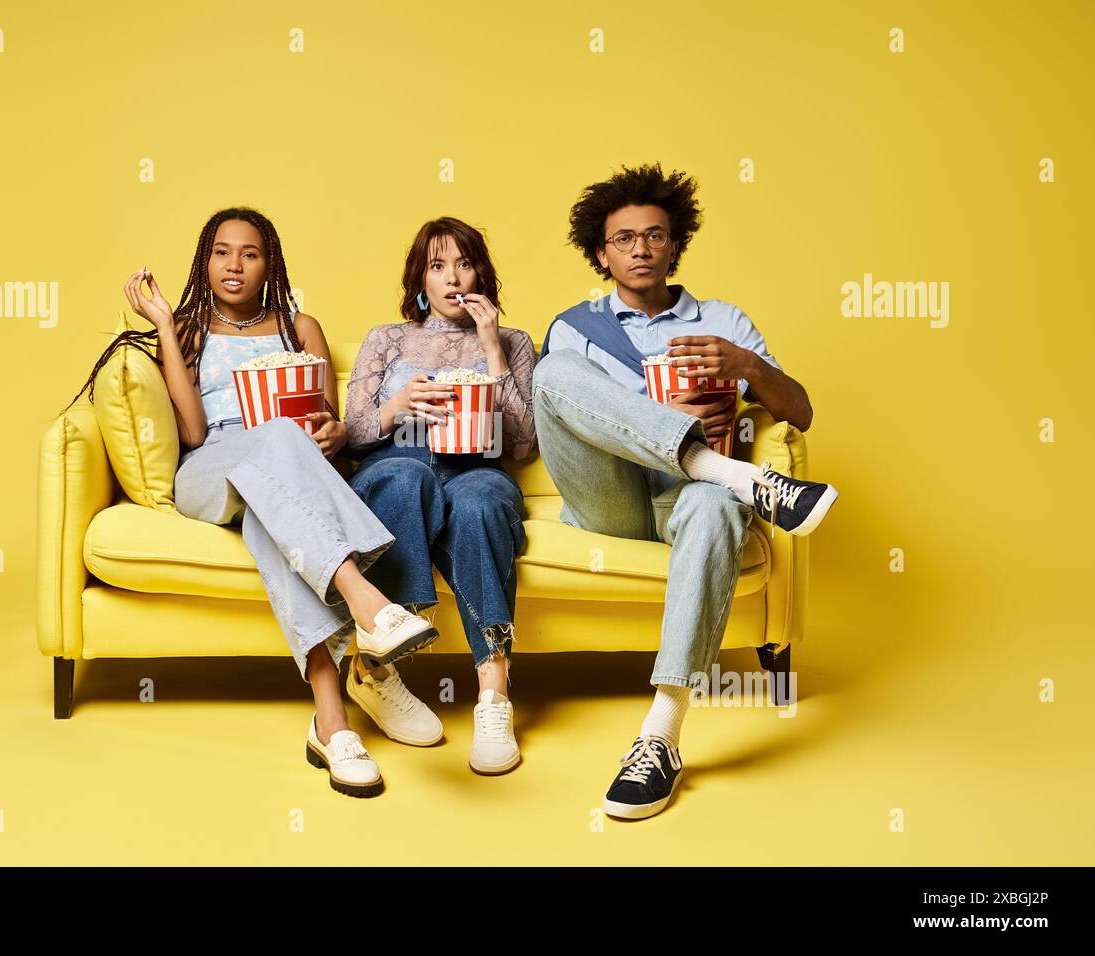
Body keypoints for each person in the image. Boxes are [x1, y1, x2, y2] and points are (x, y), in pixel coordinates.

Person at [59, 207, 438, 799]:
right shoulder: (184, 329)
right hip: (212, 472)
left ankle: (330, 723)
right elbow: (189, 432)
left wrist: (335, 434)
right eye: (221, 252)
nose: (234, 265)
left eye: (250, 253)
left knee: (276, 505)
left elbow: (326, 426)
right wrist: (162, 320)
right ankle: (369, 604)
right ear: (204, 261)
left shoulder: (300, 328)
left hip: (282, 482)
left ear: (271, 265)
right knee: (276, 442)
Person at [534, 163, 840, 819]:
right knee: (553, 370)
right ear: (600, 252)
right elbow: (556, 413)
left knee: (712, 501)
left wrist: (748, 367)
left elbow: (802, 412)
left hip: (691, 505)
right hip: (608, 497)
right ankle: (739, 476)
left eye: (654, 236)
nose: (640, 249)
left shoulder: (723, 320)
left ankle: (660, 736)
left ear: (676, 246)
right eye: (624, 239)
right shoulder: (576, 326)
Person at [344, 217, 536, 775]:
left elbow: (522, 444)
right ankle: (379, 672)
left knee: (481, 502)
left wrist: (491, 350)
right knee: (409, 478)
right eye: (436, 266)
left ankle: (494, 695)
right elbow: (352, 431)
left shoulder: (516, 341)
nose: (452, 277)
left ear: (482, 273)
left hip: (474, 469)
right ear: (420, 280)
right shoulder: (388, 338)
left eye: (464, 263)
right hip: (395, 466)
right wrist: (395, 406)